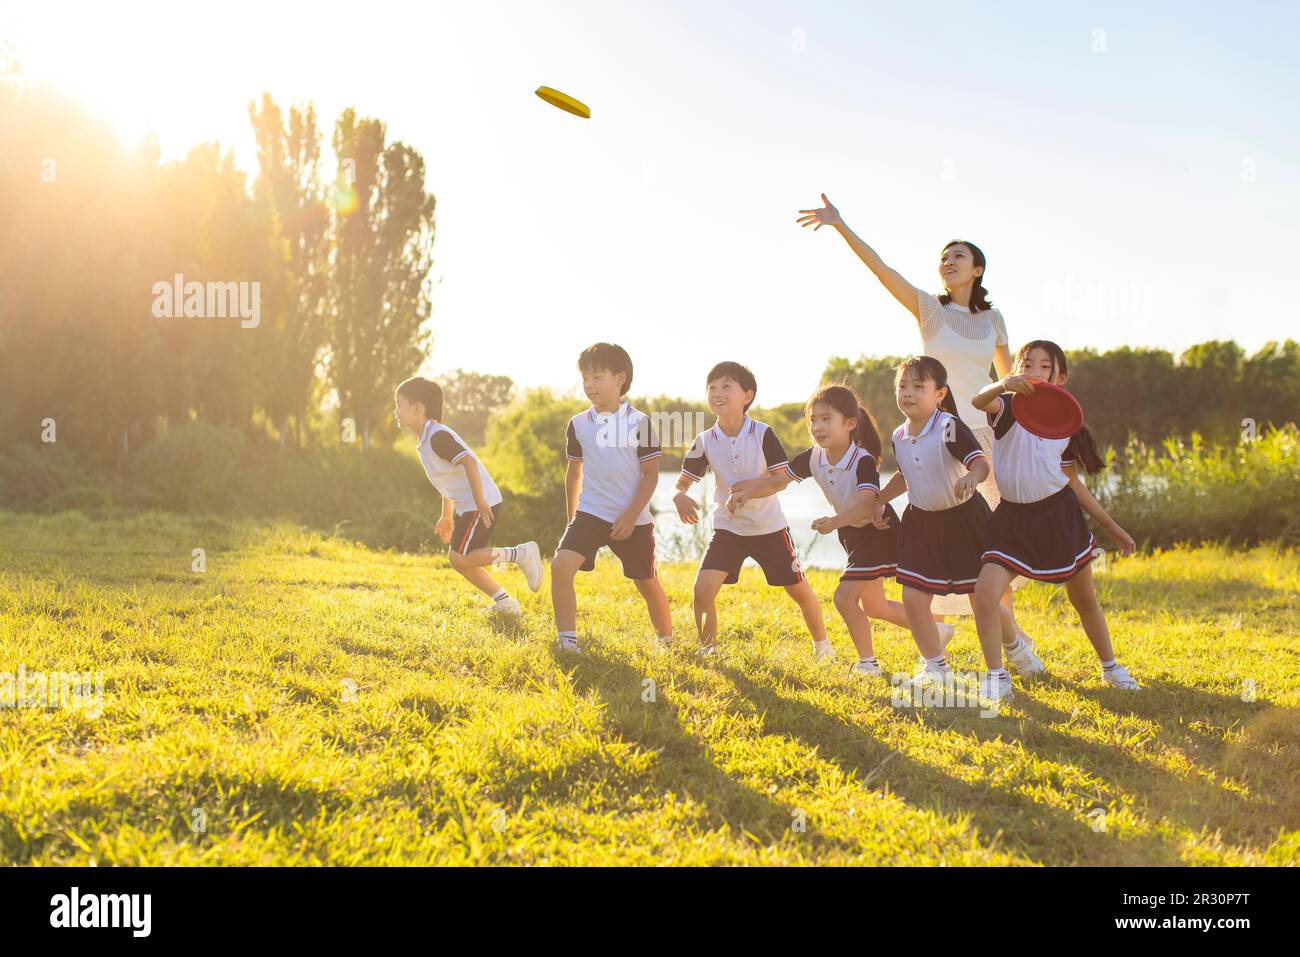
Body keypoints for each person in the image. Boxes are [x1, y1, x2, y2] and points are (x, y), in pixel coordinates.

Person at [796, 195, 1032, 639]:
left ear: (977, 269)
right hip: (937, 435)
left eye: (958, 256)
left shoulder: (994, 320)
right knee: (949, 538)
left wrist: (1024, 431)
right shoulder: (930, 309)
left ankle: (1011, 635)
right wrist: (841, 225)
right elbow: (882, 269)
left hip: (985, 435)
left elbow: (1008, 382)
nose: (948, 262)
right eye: (943, 257)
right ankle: (946, 638)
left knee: (993, 545)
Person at [970, 340, 1140, 691]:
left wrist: (1112, 526)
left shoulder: (1064, 421)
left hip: (1058, 517)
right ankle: (997, 676)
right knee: (984, 593)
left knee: (1084, 600)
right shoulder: (1004, 406)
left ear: (1060, 376)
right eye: (1025, 363)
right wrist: (1002, 384)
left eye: (1043, 366)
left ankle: (1111, 668)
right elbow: (977, 400)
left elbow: (1072, 482)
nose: (1032, 370)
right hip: (1011, 519)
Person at [785, 383, 955, 677]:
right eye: (813, 419)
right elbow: (776, 480)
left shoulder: (862, 460)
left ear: (849, 424)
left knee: (843, 598)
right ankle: (935, 631)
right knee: (875, 606)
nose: (818, 426)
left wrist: (833, 522)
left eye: (826, 418)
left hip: (876, 531)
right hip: (854, 533)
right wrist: (748, 488)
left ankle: (868, 664)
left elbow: (868, 505)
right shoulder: (813, 456)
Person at [673, 361, 830, 658]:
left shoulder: (763, 433)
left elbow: (780, 481)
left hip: (768, 528)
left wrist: (749, 489)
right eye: (712, 388)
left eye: (726, 386)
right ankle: (708, 649)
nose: (717, 393)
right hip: (728, 529)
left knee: (798, 590)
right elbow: (680, 484)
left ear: (747, 396)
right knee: (702, 590)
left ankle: (822, 645)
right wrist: (677, 496)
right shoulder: (703, 441)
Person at [551, 343, 673, 654]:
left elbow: (650, 475)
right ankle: (567, 642)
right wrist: (571, 520)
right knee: (561, 566)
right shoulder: (578, 424)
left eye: (597, 377)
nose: (589, 385)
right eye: (585, 378)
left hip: (632, 518)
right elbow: (573, 474)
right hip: (591, 513)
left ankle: (666, 642)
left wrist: (632, 515)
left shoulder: (640, 423)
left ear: (620, 378)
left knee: (645, 582)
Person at [394, 376, 543, 615]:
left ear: (417, 407)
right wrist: (447, 516)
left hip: (479, 503)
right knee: (462, 559)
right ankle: (505, 602)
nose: (396, 411)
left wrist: (481, 502)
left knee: (460, 558)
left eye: (399, 404)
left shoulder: (437, 437)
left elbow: (470, 463)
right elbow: (449, 480)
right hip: (470, 504)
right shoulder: (426, 440)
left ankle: (521, 554)